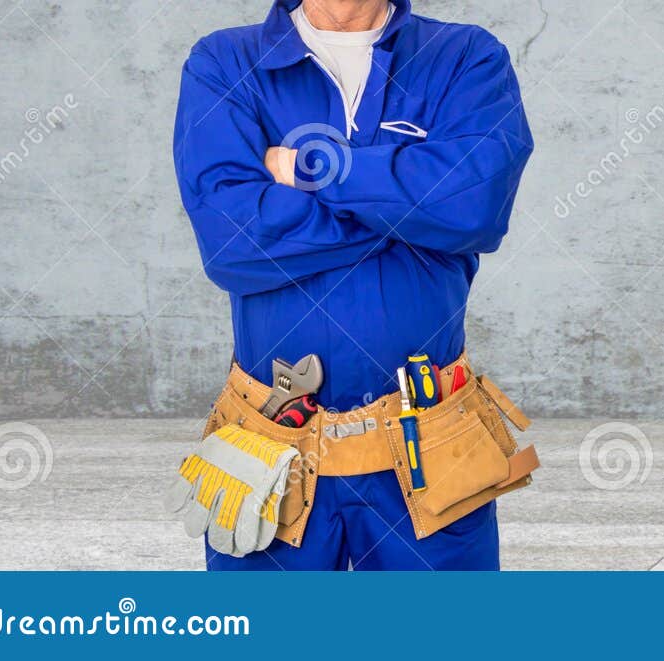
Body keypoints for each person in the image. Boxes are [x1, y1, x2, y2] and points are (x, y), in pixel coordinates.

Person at [172, 0, 533, 570]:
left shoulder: (464, 58)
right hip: (269, 447)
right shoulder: (226, 62)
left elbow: (475, 205)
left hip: (431, 449)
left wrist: (308, 172)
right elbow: (232, 242)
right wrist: (407, 210)